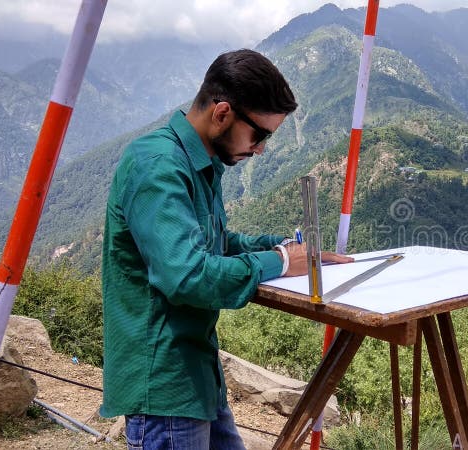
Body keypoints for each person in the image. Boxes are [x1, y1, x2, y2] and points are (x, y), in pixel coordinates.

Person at [100, 49, 352, 450]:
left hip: (198, 372)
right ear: (221, 113)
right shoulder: (158, 165)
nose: (261, 149)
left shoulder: (200, 163)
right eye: (260, 135)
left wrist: (280, 247)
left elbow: (218, 243)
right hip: (165, 382)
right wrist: (283, 262)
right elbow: (187, 275)